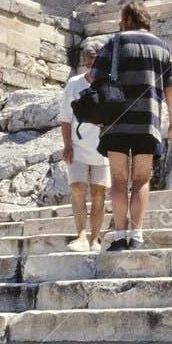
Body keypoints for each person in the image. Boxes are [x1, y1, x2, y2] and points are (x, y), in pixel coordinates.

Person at [89, 0, 172, 253]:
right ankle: (136, 235)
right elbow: (170, 90)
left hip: (115, 120)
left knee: (118, 181)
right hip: (147, 122)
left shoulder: (114, 43)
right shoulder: (162, 48)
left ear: (128, 19)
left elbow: (93, 78)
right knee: (141, 179)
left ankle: (119, 237)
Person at [58, 42, 109, 253]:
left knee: (98, 192)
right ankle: (80, 235)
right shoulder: (74, 84)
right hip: (78, 145)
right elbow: (65, 118)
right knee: (78, 187)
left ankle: (95, 238)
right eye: (86, 64)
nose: (90, 68)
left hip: (104, 145)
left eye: (93, 63)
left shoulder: (109, 83)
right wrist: (67, 144)